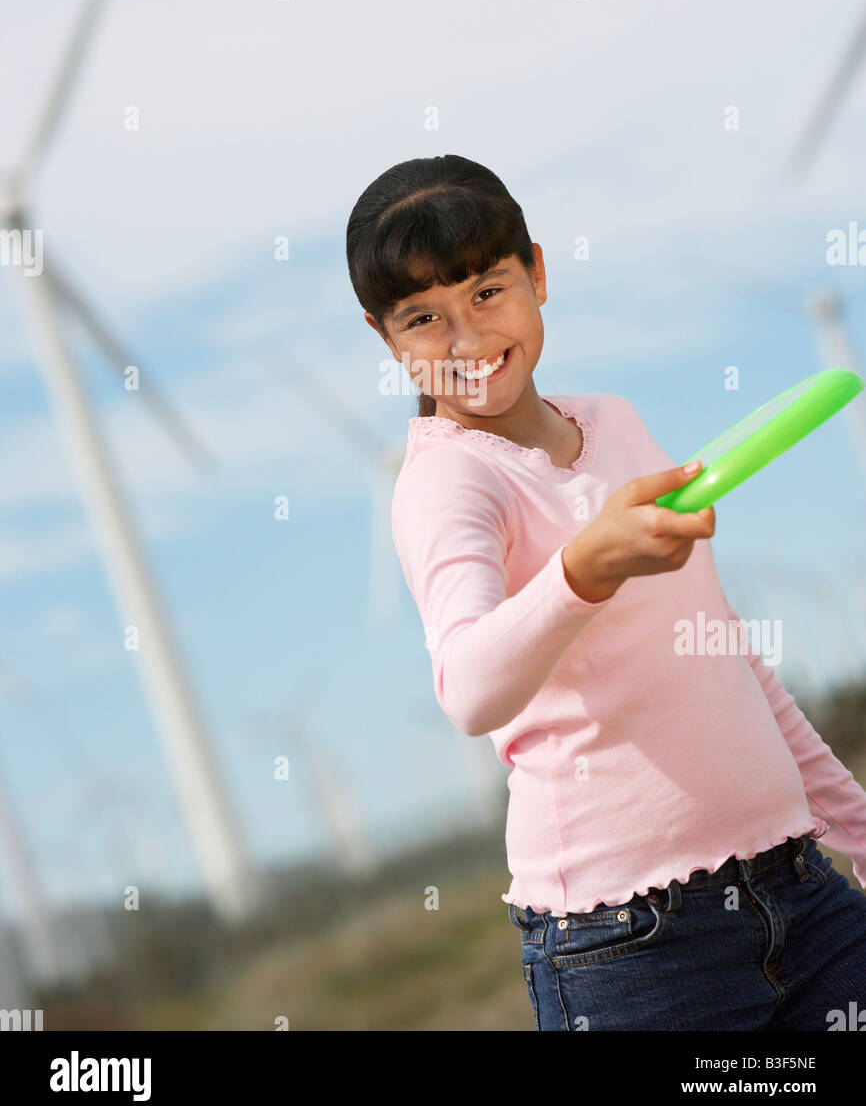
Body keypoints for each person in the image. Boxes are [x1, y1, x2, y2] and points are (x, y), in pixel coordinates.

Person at [345, 153, 866, 1031]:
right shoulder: (445, 484)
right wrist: (583, 572)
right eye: (424, 318)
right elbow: (469, 688)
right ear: (383, 336)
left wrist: (854, 824)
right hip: (633, 948)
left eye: (486, 292)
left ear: (538, 272)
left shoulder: (616, 421)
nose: (466, 341)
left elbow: (724, 653)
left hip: (801, 894)